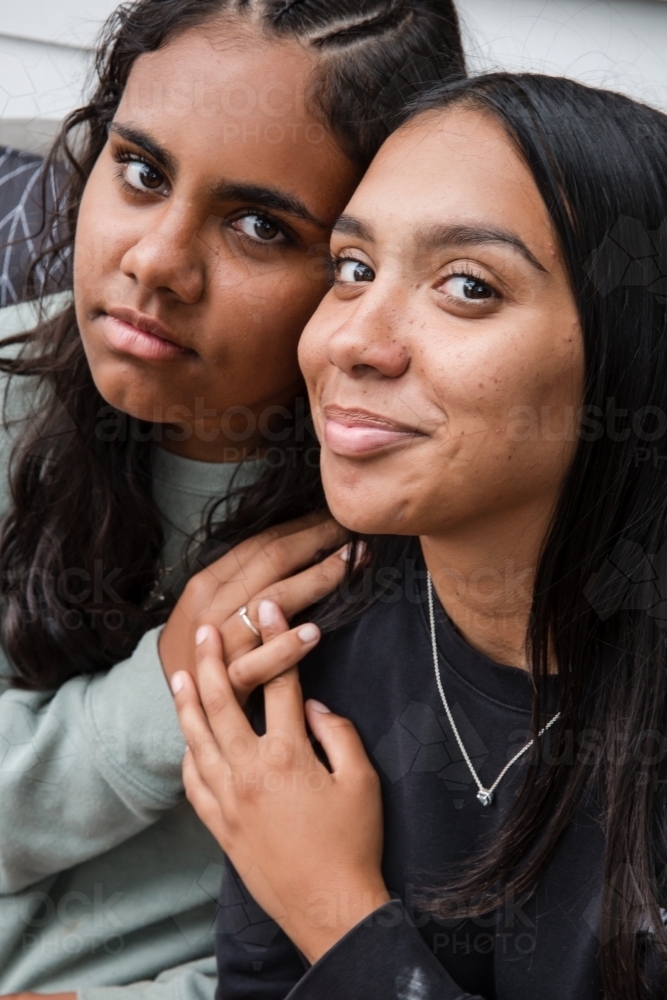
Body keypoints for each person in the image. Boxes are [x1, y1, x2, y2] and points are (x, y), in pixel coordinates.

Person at [0, 2, 466, 999]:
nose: (156, 262)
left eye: (260, 226)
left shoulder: (425, 535)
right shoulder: (11, 393)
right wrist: (164, 690)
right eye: (142, 172)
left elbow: (374, 933)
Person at [174, 73, 667, 999]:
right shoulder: (309, 650)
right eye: (353, 269)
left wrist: (337, 915)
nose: (352, 342)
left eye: (467, 286)